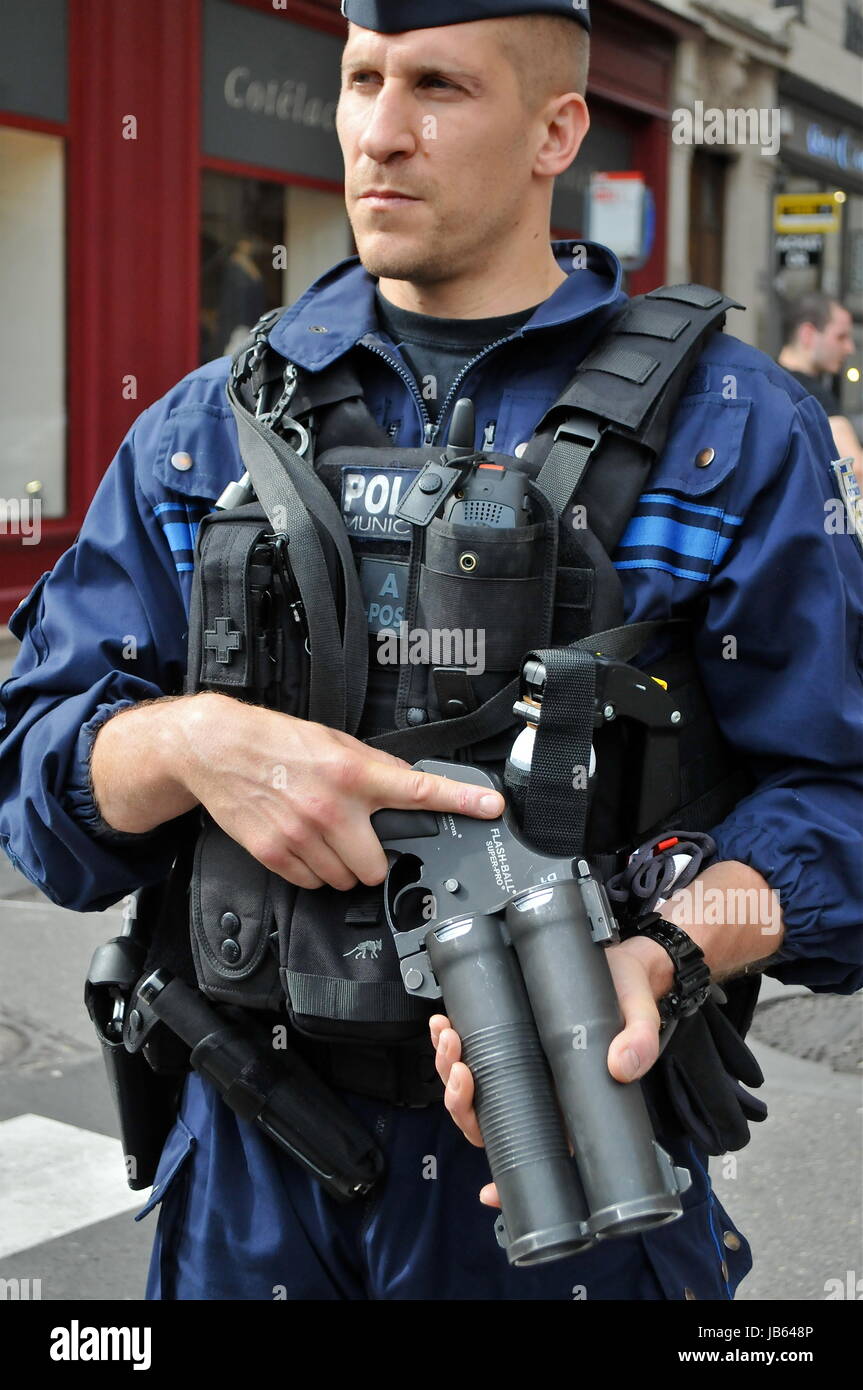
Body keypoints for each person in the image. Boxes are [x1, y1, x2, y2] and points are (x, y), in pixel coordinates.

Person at [1, 0, 861, 1302]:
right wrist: (188, 743)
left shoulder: (731, 432)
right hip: (252, 1184)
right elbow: (33, 779)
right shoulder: (209, 427)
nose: (378, 134)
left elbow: (838, 801)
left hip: (581, 1178)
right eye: (360, 81)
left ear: (553, 129)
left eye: (439, 88)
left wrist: (668, 952)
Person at [778, 291, 863, 489]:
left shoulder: (766, 379)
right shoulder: (811, 395)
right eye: (841, 337)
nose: (849, 348)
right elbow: (855, 471)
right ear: (808, 334)